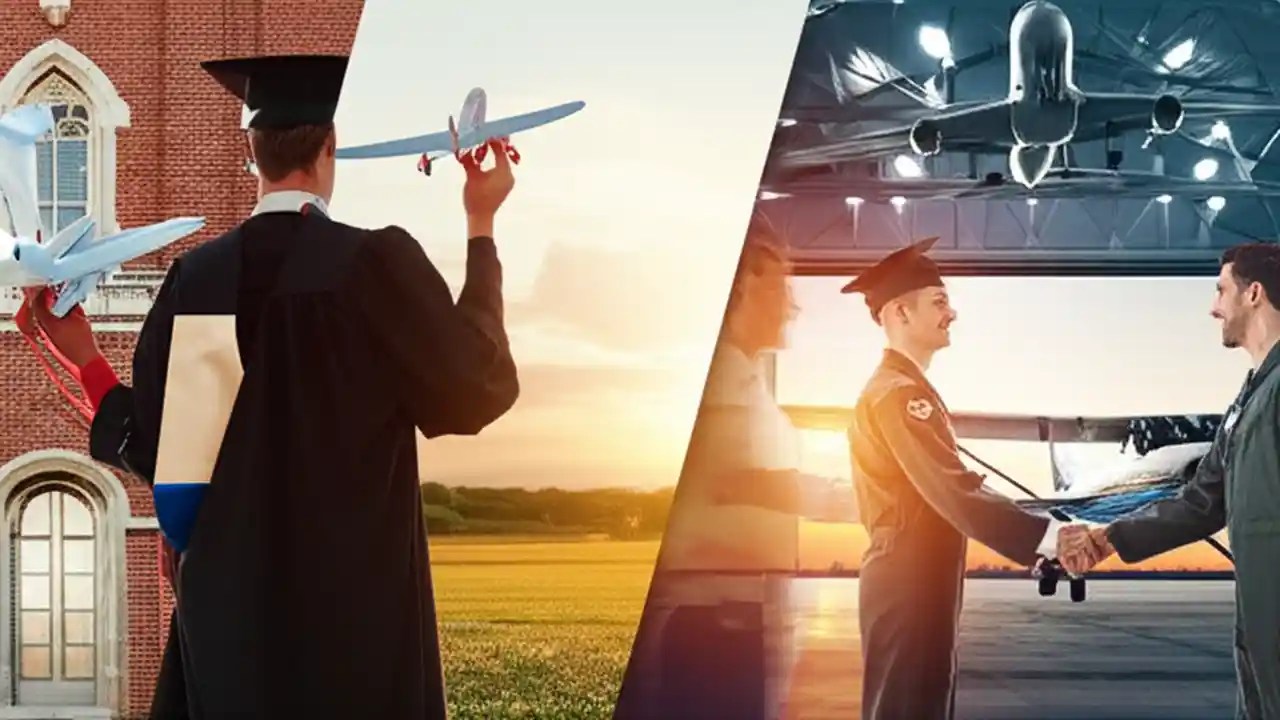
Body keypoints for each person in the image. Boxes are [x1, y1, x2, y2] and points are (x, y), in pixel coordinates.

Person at [20, 53, 519, 719]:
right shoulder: (376, 266)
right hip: (359, 630)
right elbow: (476, 388)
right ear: (329, 146)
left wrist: (83, 353)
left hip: (229, 635)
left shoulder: (196, 280)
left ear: (251, 153)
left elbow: (159, 451)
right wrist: (481, 223)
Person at [1058, 242, 1280, 720]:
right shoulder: (1248, 399)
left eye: (1221, 291)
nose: (1213, 308)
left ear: (1254, 294)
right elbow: (1201, 501)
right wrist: (1110, 538)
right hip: (1259, 625)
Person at [843, 236, 1058, 720]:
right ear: (900, 312)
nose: (952, 313)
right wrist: (1047, 536)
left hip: (917, 578)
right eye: (939, 302)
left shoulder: (900, 388)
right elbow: (953, 489)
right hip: (910, 583)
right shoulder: (899, 394)